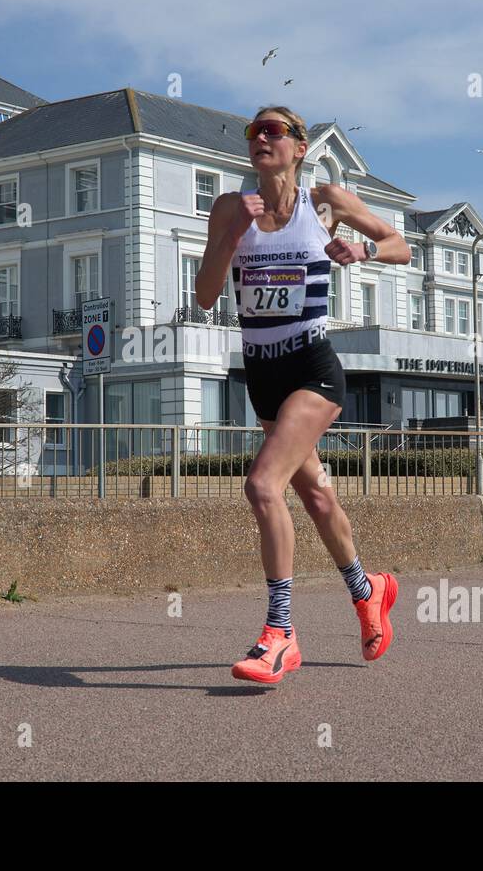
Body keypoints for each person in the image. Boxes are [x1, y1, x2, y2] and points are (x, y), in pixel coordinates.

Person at [196, 105, 412, 684]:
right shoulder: (229, 208)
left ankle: (280, 633)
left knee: (262, 484)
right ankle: (369, 591)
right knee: (315, 494)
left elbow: (400, 245)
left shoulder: (326, 203)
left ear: (298, 147)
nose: (262, 139)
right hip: (261, 374)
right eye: (254, 132)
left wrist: (364, 253)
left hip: (313, 368)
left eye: (274, 132)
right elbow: (205, 294)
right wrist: (231, 234)